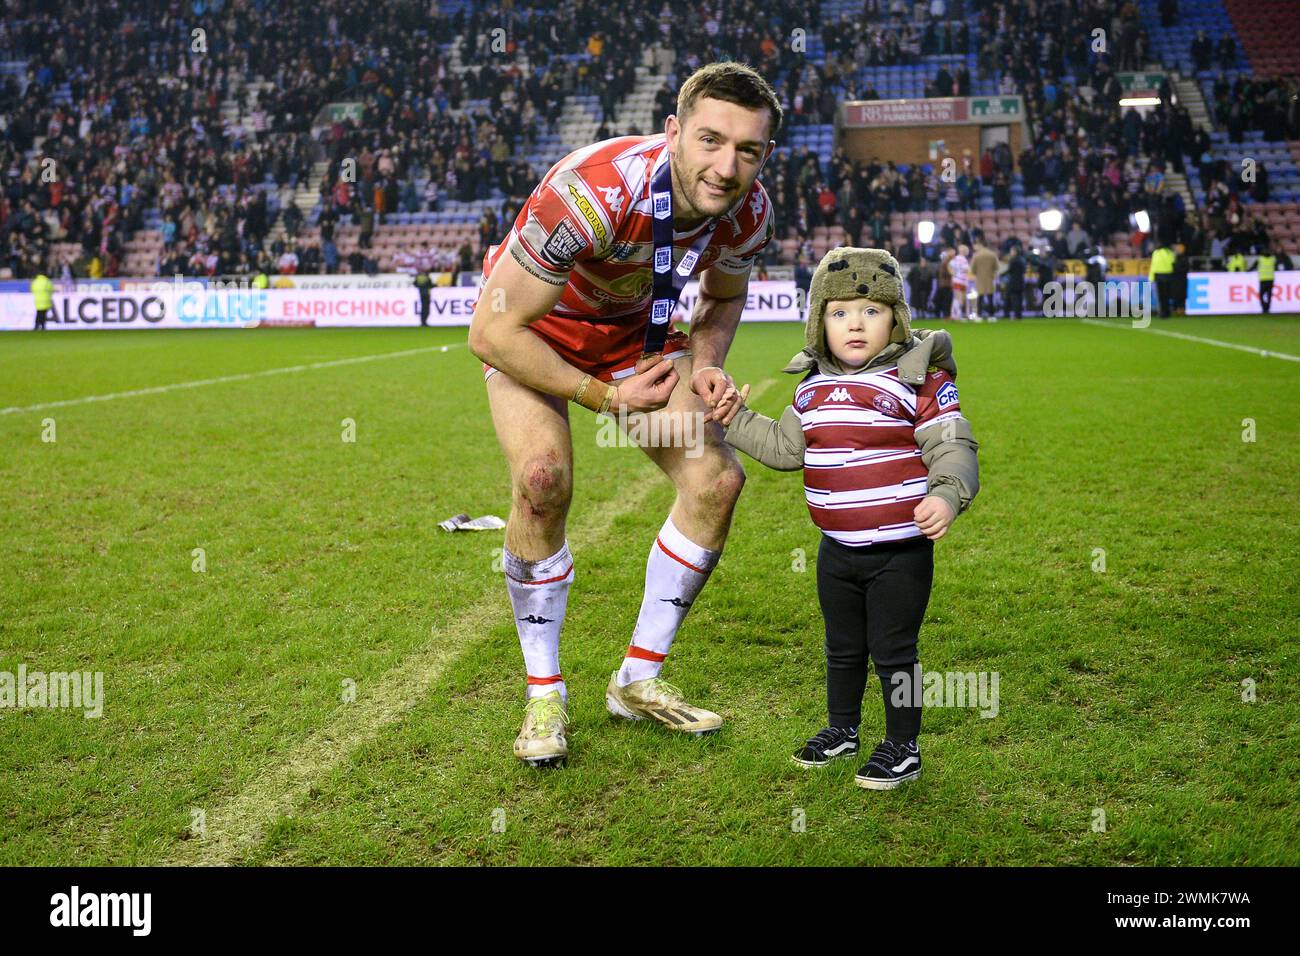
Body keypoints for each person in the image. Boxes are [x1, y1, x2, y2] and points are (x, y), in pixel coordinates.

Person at [468, 62, 781, 768]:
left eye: (749, 151)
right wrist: (605, 400)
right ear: (673, 132)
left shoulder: (749, 210)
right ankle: (545, 692)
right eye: (709, 140)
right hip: (536, 337)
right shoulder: (593, 191)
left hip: (639, 347)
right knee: (542, 480)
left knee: (715, 483)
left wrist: (704, 366)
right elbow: (492, 332)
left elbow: (723, 298)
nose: (727, 166)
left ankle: (636, 680)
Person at [717, 248, 979, 790]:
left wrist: (948, 495)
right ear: (819, 323)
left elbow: (952, 443)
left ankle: (903, 747)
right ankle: (843, 730)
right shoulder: (811, 386)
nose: (855, 323)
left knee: (893, 650)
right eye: (839, 313)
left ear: (896, 319)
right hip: (835, 549)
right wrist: (734, 418)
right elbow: (785, 449)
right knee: (842, 645)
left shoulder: (918, 378)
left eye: (870, 310)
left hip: (899, 552)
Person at [969, 241, 999, 320]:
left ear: (980, 245)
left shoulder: (976, 256)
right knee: (990, 298)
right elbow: (996, 267)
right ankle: (991, 315)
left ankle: (979, 315)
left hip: (980, 279)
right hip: (990, 278)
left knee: (980, 298)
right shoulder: (992, 255)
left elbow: (972, 269)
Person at [1149, 241, 1176, 319]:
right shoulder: (1169, 252)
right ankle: (1168, 312)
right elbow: (1173, 263)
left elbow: (1153, 265)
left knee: (1161, 296)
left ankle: (1162, 312)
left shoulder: (1156, 253)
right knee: (1167, 295)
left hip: (1159, 276)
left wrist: (1151, 277)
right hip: (1168, 275)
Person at [1003, 245, 1026, 319]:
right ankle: (1019, 315)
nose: (1011, 252)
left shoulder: (1013, 260)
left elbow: (1009, 270)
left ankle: (1014, 315)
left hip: (1014, 282)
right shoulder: (1022, 260)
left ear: (1015, 252)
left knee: (1014, 299)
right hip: (1021, 281)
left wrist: (1001, 274)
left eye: (1012, 251)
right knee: (1019, 299)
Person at [949, 243, 970, 320]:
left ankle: (954, 313)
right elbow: (966, 269)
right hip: (962, 281)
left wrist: (953, 274)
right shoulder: (964, 260)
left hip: (956, 280)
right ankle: (957, 314)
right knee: (960, 298)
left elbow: (950, 267)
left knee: (957, 298)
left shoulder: (955, 259)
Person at [1255, 246, 1276, 314]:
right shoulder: (1273, 259)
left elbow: (1254, 266)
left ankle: (1265, 308)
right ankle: (1267, 308)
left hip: (1263, 279)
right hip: (1270, 279)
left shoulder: (1260, 259)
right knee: (1269, 294)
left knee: (1261, 295)